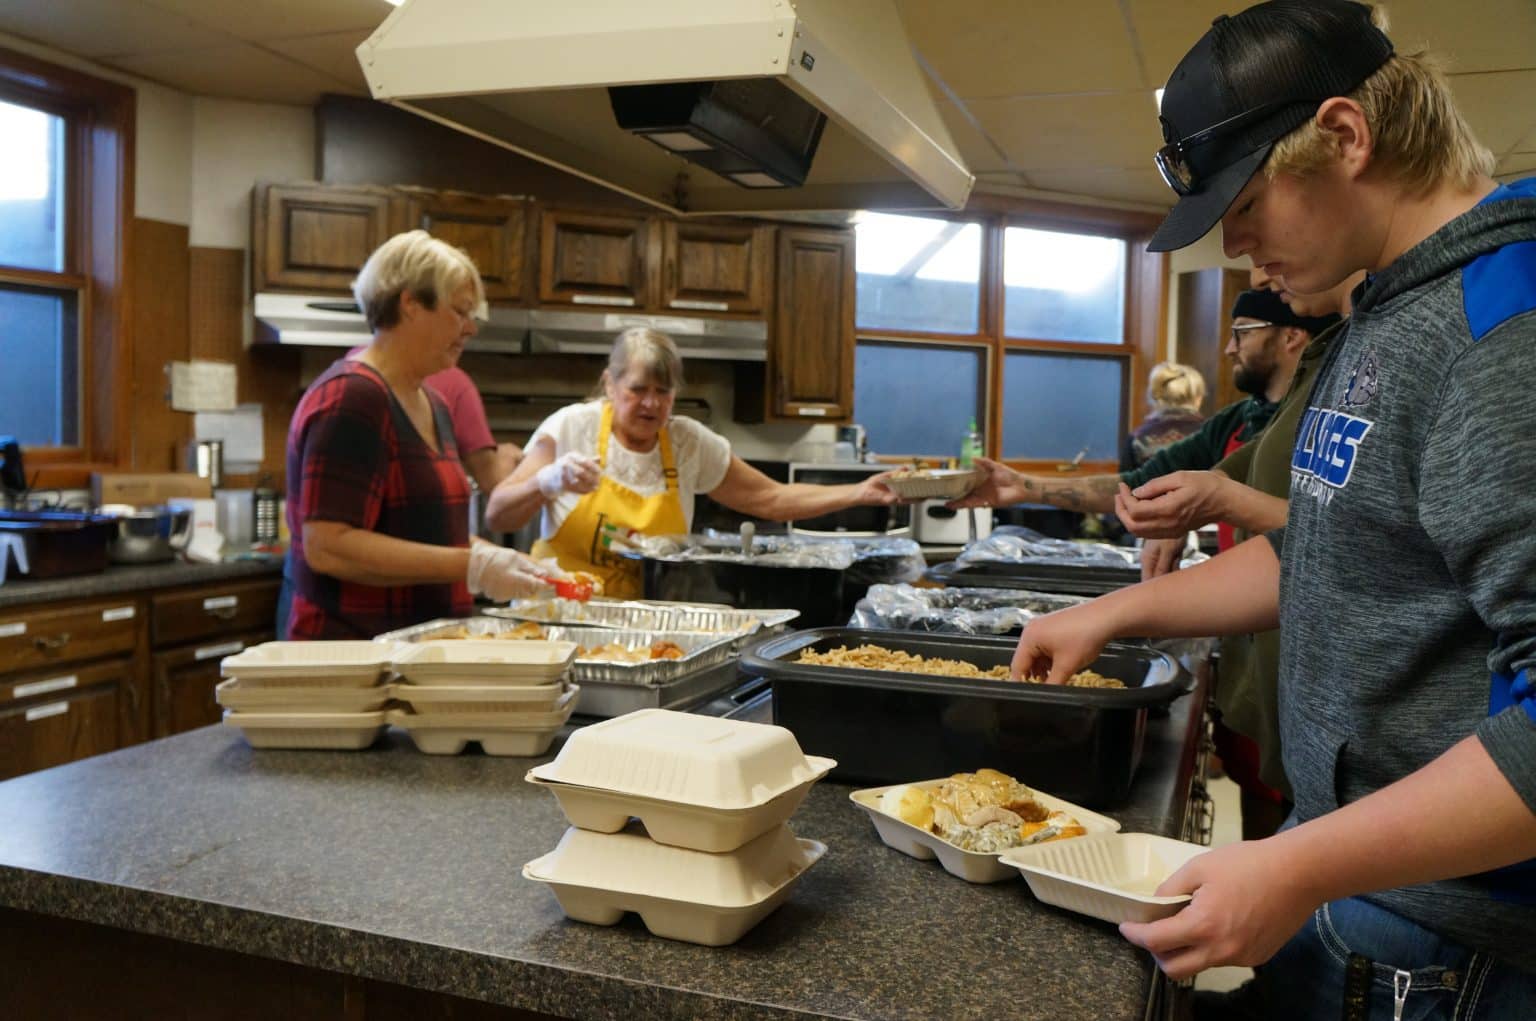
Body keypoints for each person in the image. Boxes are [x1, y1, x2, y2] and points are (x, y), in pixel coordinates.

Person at [1013, 3, 1536, 1017]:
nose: (1237, 249)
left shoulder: (1502, 338)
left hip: (1451, 948)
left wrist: (1297, 865)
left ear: (1344, 137)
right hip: (1366, 895)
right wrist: (1111, 613)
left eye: (1245, 204)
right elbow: (1335, 553)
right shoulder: (1382, 311)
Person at [284, 230, 562, 639]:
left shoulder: (432, 402)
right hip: (355, 656)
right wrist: (470, 566)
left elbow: (428, 529)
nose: (471, 328)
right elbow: (328, 545)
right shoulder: (352, 397)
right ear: (410, 303)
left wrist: (496, 557)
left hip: (416, 651)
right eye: (460, 311)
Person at [485, 327, 896, 598]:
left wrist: (859, 492)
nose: (651, 403)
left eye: (663, 392)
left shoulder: (687, 443)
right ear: (610, 384)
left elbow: (771, 498)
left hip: (645, 627)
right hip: (563, 619)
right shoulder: (572, 426)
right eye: (637, 389)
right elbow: (498, 515)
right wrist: (549, 482)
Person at [956, 289, 1339, 554]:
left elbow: (1336, 534)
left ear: (1292, 336)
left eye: (1241, 333)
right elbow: (1137, 486)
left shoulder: (1326, 417)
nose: (1228, 348)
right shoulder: (1235, 422)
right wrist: (1024, 486)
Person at [1121, 361, 1207, 472]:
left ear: (1153, 397)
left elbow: (1125, 484)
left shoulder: (1137, 438)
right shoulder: (1211, 432)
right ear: (1198, 398)